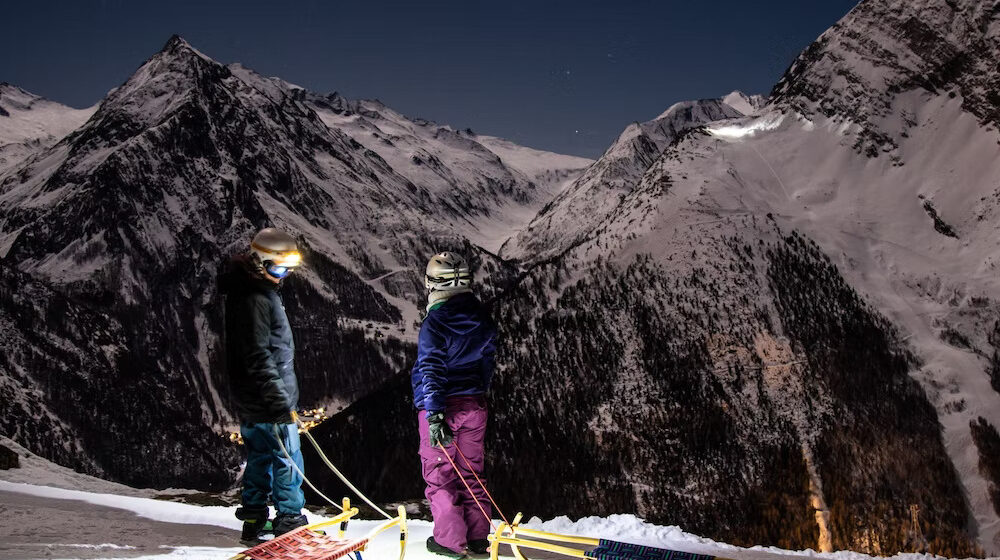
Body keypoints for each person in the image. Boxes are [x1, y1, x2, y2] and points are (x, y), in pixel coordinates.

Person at [220, 227, 308, 544]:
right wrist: (279, 400)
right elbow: (258, 355)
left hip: (252, 397)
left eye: (288, 269)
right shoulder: (257, 298)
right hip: (269, 397)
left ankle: (254, 518)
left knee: (260, 456)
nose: (284, 275)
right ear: (259, 262)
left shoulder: (246, 291)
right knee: (287, 458)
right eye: (279, 268)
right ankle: (289, 520)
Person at [411, 252, 498, 558]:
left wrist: (435, 414)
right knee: (472, 473)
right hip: (475, 405)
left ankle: (450, 542)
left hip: (442, 409)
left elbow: (431, 369)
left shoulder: (435, 322)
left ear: (433, 283)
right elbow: (487, 362)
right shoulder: (482, 316)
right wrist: (476, 394)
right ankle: (478, 539)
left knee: (441, 476)